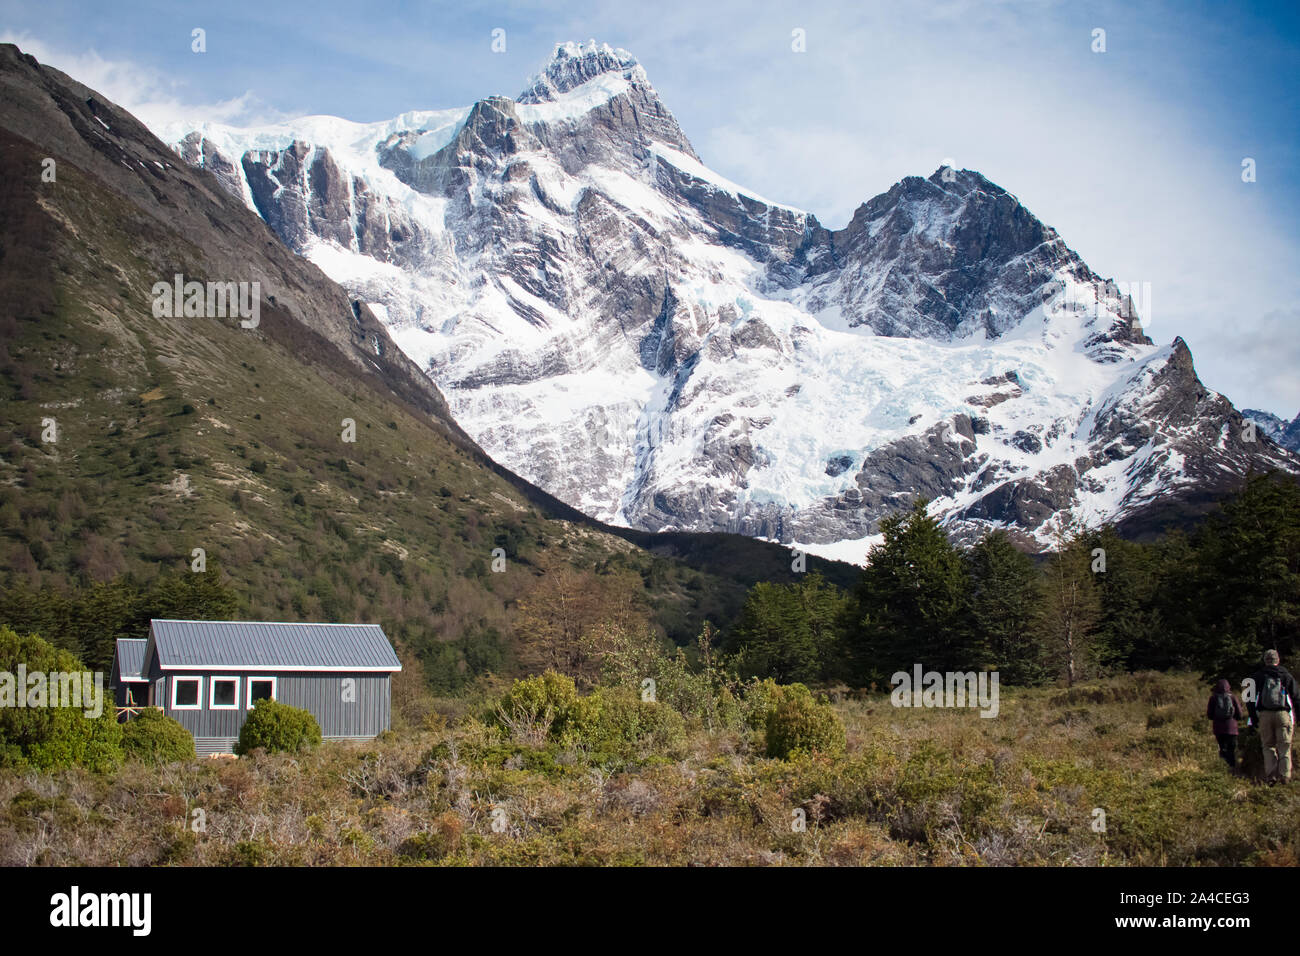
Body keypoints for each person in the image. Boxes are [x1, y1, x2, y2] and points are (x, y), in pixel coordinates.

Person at [1247, 649, 1298, 785]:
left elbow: (1249, 699)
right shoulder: (1286, 675)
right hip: (1282, 714)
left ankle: (1271, 777)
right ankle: (1285, 777)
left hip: (1264, 715)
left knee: (1268, 746)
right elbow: (1296, 697)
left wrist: (1254, 718)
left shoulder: (1257, 676)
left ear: (1265, 661)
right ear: (1278, 660)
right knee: (1284, 746)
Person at [1206, 678, 1244, 769]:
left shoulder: (1213, 698)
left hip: (1218, 729)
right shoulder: (1232, 697)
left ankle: (1223, 768)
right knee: (1231, 749)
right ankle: (1232, 768)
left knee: (1222, 748)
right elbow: (1240, 714)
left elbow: (1209, 715)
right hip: (1232, 728)